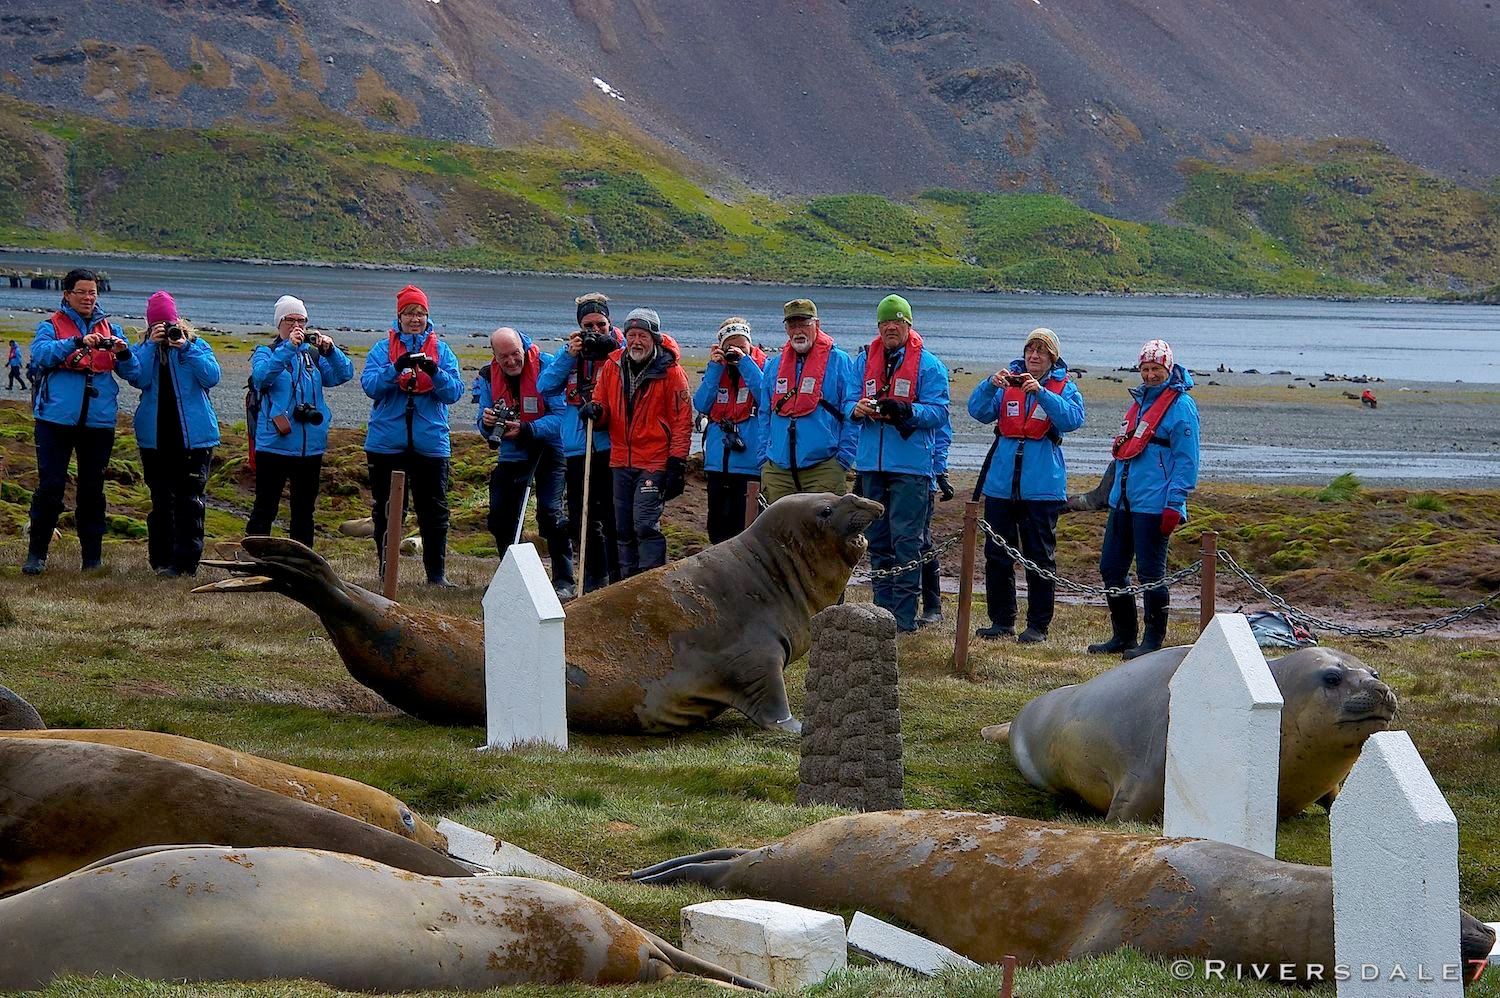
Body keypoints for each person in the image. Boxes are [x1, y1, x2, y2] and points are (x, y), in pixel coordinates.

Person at [967, 327, 1086, 643]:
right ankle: (1001, 621)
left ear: (1052, 358)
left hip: (1042, 486)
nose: (1034, 356)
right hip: (1002, 483)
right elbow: (977, 411)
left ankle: (1037, 626)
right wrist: (989, 385)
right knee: (996, 554)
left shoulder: (1064, 388)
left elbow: (1073, 419)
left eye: (1041, 352)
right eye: (1030, 350)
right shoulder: (1008, 385)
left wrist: (1042, 393)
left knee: (1039, 557)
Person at [23, 267, 140, 575]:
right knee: (50, 487)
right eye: (82, 292)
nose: (88, 298)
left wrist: (123, 352)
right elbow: (40, 354)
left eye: (93, 293)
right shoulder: (49, 325)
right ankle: (36, 555)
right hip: (54, 420)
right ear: (67, 295)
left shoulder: (112, 328)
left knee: (93, 490)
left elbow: (134, 374)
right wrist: (77, 342)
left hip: (98, 422)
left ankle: (92, 560)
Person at [1088, 338, 1200, 659]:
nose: (1150, 375)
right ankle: (1123, 635)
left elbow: (1187, 461)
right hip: (1123, 502)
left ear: (1168, 368)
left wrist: (1174, 503)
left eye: (1156, 369)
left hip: (1155, 505)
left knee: (1151, 574)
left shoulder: (1181, 407)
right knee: (1111, 567)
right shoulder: (1138, 403)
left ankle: (1152, 641)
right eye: (1146, 369)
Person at [848, 294, 950, 632]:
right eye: (885, 322)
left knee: (907, 541)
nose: (891, 327)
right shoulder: (863, 361)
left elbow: (939, 412)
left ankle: (904, 618)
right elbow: (848, 397)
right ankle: (882, 611)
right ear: (878, 326)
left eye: (898, 321)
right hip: (871, 465)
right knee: (877, 539)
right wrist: (857, 408)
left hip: (911, 467)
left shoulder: (930, 365)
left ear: (909, 324)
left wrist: (908, 410)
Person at [361, 284, 463, 587]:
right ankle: (386, 573)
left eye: (419, 313)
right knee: (389, 511)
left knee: (434, 512)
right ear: (399, 317)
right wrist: (396, 368)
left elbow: (454, 392)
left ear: (427, 315)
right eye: (409, 313)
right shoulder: (382, 350)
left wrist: (434, 371)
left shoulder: (442, 351)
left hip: (430, 444)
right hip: (386, 444)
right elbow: (370, 386)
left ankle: (436, 576)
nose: (414, 318)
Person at [587, 307, 692, 577]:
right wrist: (595, 412)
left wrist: (677, 463)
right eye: (632, 334)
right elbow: (602, 405)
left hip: (654, 460)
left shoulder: (671, 371)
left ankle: (650, 581)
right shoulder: (612, 366)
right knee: (622, 528)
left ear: (654, 338)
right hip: (620, 459)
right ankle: (627, 585)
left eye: (643, 335)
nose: (636, 341)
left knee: (644, 524)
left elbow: (682, 420)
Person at [245, 294, 354, 548]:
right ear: (279, 323)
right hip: (274, 444)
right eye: (290, 320)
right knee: (265, 507)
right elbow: (261, 379)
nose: (296, 326)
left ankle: (302, 562)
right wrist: (288, 349)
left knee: (304, 511)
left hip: (310, 447)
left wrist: (331, 352)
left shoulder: (313, 358)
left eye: (301, 320)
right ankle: (254, 556)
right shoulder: (266, 353)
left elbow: (344, 374)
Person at [127, 291, 222, 577]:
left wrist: (185, 347)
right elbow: (136, 377)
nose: (166, 329)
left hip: (194, 437)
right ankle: (162, 560)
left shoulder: (196, 345)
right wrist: (148, 346)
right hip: (155, 437)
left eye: (169, 323)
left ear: (177, 320)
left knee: (189, 501)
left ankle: (186, 563)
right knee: (161, 502)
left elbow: (212, 377)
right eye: (160, 325)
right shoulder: (142, 350)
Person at [475, 326, 573, 596]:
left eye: (515, 353)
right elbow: (482, 423)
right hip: (512, 451)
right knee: (500, 517)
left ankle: (564, 579)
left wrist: (528, 429)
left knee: (550, 515)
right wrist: (486, 424)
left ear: (523, 347)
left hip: (549, 449)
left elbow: (562, 416)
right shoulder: (487, 375)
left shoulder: (548, 366)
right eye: (503, 356)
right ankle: (512, 577)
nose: (511, 361)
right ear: (495, 356)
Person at [537, 292, 622, 593]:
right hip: (577, 446)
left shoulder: (621, 350)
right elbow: (544, 386)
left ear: (610, 324)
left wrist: (614, 351)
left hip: (612, 444)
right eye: (589, 325)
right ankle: (593, 577)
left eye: (601, 324)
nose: (595, 331)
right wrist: (568, 355)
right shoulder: (571, 353)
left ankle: (615, 578)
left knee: (612, 517)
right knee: (581, 519)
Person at [756, 298, 858, 503]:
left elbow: (852, 412)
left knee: (825, 533)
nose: (798, 330)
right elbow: (764, 413)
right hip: (778, 471)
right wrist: (763, 458)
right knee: (780, 533)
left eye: (804, 324)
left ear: (817, 325)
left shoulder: (840, 361)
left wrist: (844, 459)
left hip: (823, 468)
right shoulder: (775, 366)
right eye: (792, 325)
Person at [694, 316, 767, 543]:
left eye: (741, 346)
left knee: (746, 527)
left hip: (749, 466)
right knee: (717, 527)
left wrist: (745, 362)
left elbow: (767, 397)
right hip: (718, 463)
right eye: (730, 347)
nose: (735, 352)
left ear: (750, 346)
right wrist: (715, 367)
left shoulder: (761, 368)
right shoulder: (717, 371)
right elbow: (702, 403)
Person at [917, 415, 955, 628]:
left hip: (921, 477)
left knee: (922, 542)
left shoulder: (931, 391)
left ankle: (933, 606)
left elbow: (941, 433)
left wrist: (940, 472)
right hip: (882, 474)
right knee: (886, 544)